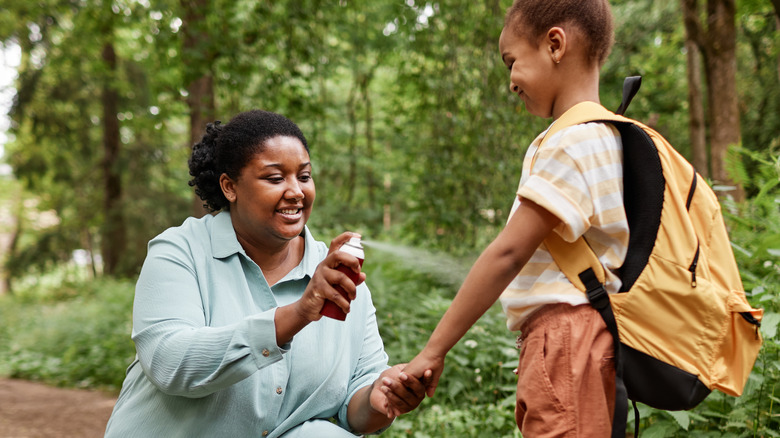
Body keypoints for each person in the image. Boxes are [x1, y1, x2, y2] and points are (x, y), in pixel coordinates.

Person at [104, 110, 428, 438]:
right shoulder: (180, 252)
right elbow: (170, 362)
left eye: (304, 176)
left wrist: (379, 398)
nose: (296, 191)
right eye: (275, 178)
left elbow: (356, 407)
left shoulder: (338, 276)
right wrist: (298, 313)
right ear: (230, 187)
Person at [384, 1, 624, 436]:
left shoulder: (572, 142)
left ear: (555, 44)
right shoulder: (611, 135)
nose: (511, 81)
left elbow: (508, 253)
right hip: (587, 341)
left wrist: (432, 351)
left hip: (566, 342)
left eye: (512, 62)